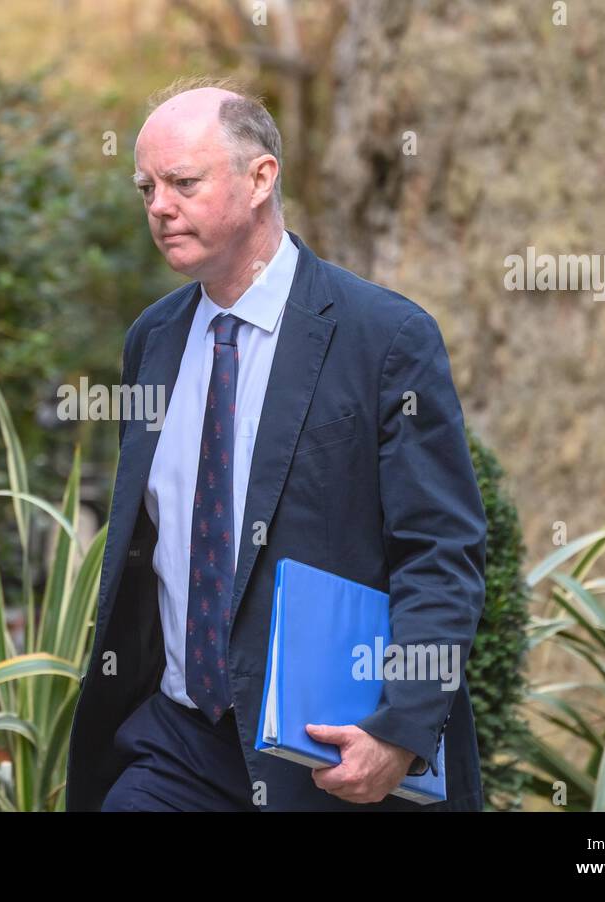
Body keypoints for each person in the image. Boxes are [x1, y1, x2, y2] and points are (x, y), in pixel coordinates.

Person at [65, 76, 487, 812]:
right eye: (146, 188)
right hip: (175, 743)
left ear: (261, 177)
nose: (159, 206)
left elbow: (442, 551)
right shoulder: (152, 342)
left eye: (183, 182)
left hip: (323, 752)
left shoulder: (385, 338)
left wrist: (401, 729)